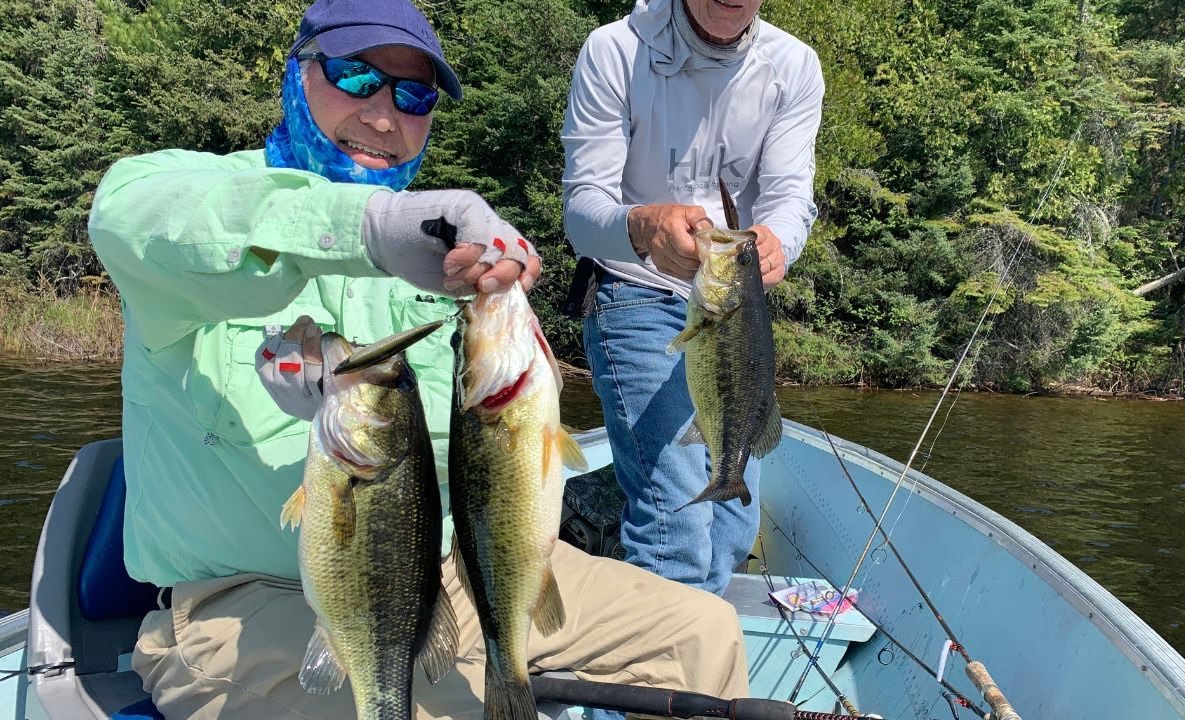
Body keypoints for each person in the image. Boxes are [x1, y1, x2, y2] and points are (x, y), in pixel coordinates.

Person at [87, 1, 748, 718]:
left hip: (456, 578)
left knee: (701, 633)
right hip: (249, 613)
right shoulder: (186, 191)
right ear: (296, 75)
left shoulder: (441, 268)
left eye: (413, 95)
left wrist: (516, 329)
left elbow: (487, 450)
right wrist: (373, 227)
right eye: (354, 77)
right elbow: (129, 220)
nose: (383, 116)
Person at [560, 0, 825, 595]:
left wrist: (780, 239)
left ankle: (688, 663)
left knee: (733, 523)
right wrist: (643, 228)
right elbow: (582, 214)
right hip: (633, 288)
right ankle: (659, 678)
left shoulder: (794, 66)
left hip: (736, 300)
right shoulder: (615, 50)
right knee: (676, 527)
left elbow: (789, 197)